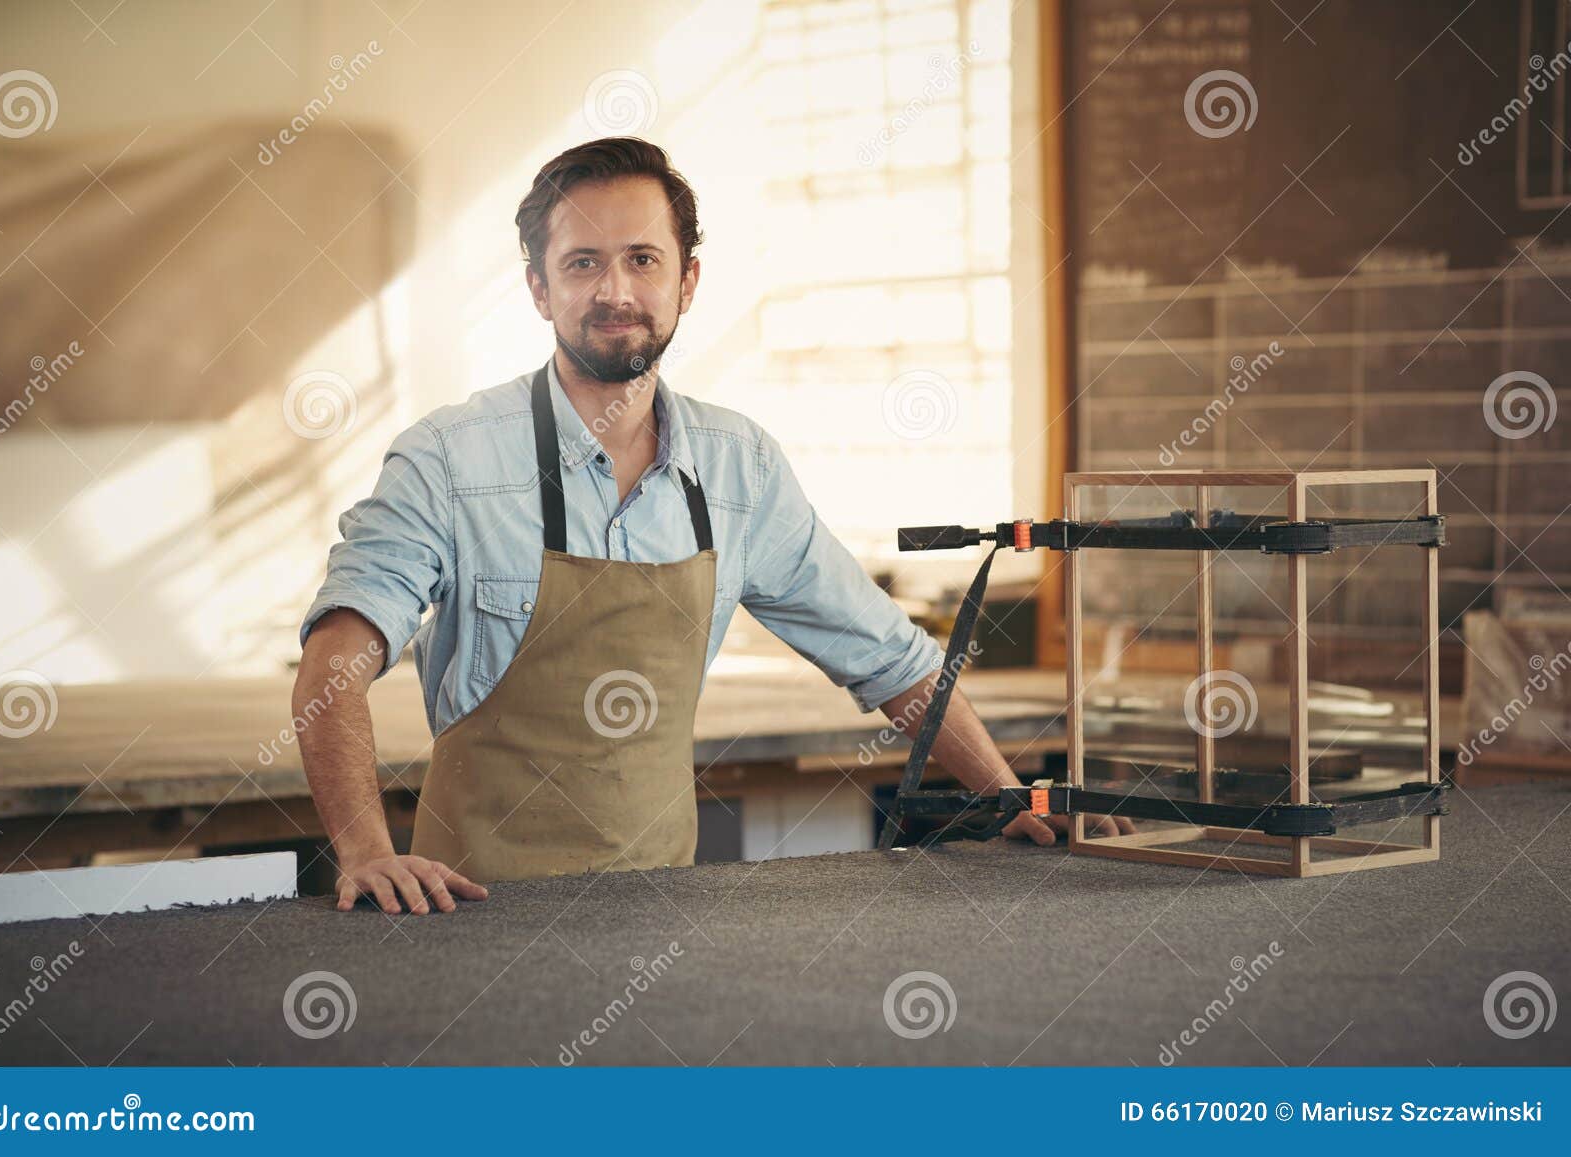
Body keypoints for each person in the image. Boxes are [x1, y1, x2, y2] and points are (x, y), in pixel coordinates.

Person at [295, 137, 1130, 916]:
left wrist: (1007, 796)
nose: (615, 290)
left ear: (687, 282)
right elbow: (336, 659)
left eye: (643, 260)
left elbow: (891, 660)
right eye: (583, 263)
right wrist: (365, 850)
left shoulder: (741, 470)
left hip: (660, 916)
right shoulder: (449, 457)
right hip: (469, 915)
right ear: (539, 288)